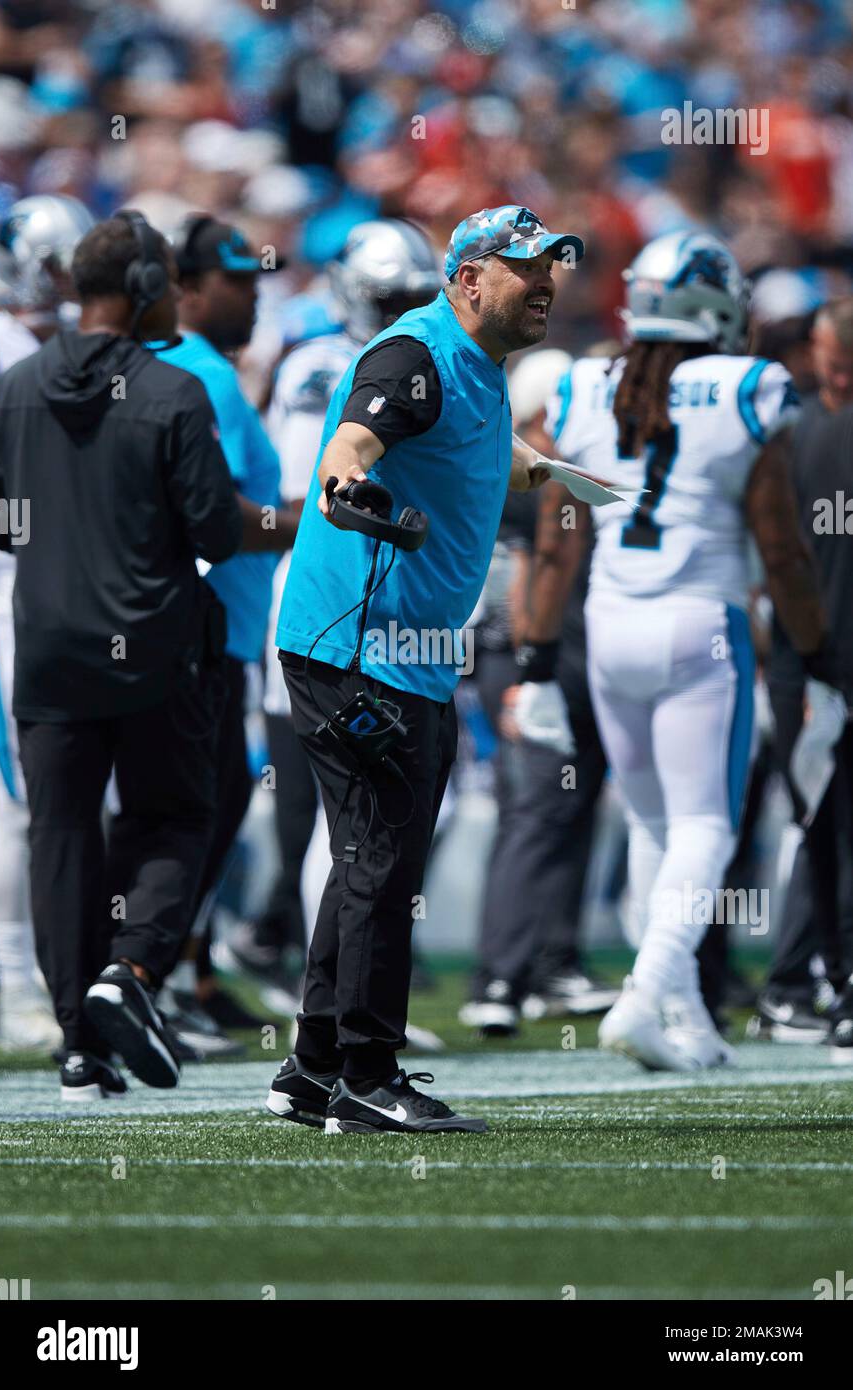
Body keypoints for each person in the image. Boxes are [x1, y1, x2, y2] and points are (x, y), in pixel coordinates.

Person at [267, 204, 584, 1134]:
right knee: (379, 861)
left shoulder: (477, 369)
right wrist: (344, 484)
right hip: (361, 648)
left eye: (552, 268)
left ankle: (313, 1068)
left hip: (405, 655)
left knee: (371, 857)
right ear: (468, 276)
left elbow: (487, 456)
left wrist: (561, 475)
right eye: (526, 267)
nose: (545, 284)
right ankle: (367, 1073)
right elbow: (353, 444)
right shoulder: (414, 354)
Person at [529, 230, 835, 1071]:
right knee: (706, 822)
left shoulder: (585, 383)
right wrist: (817, 652)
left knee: (652, 823)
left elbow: (558, 537)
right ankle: (643, 992)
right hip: (701, 624)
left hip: (608, 626)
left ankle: (686, 1013)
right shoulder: (751, 386)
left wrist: (532, 660)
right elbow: (781, 545)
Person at [0, 212, 244, 1100]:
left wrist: (59, 539)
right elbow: (215, 526)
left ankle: (75, 1045)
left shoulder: (14, 386)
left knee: (59, 837)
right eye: (167, 281)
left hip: (47, 648)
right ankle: (127, 974)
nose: (176, 296)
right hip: (154, 650)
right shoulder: (174, 393)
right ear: (139, 290)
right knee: (171, 818)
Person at [228, 219, 440, 1008]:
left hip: (369, 600)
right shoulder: (326, 366)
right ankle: (333, 987)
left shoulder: (395, 363)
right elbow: (308, 493)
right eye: (391, 298)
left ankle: (328, 978)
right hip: (332, 600)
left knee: (361, 812)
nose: (403, 313)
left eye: (415, 298)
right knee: (345, 814)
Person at [152, 213, 298, 1045]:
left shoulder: (206, 367)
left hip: (226, 630)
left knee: (208, 808)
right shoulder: (196, 371)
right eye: (234, 281)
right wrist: (308, 527)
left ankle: (182, 976)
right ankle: (152, 980)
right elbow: (214, 511)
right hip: (201, 630)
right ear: (187, 288)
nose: (249, 294)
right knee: (194, 811)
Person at [459, 347, 617, 1035]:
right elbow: (523, 580)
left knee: (569, 807)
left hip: (566, 656)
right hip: (521, 659)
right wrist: (528, 674)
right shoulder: (520, 475)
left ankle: (554, 960)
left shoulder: (557, 470)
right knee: (535, 808)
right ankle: (498, 975)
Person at [0, 193, 94, 1052]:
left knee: (62, 797)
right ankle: (17, 981)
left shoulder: (79, 348)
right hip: (2, 597)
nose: (71, 281)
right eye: (60, 264)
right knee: (21, 800)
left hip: (63, 595)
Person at [758, 298, 853, 1053]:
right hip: (807, 661)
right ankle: (826, 981)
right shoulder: (790, 432)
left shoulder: (791, 430)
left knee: (825, 828)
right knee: (819, 827)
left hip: (809, 659)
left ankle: (819, 980)